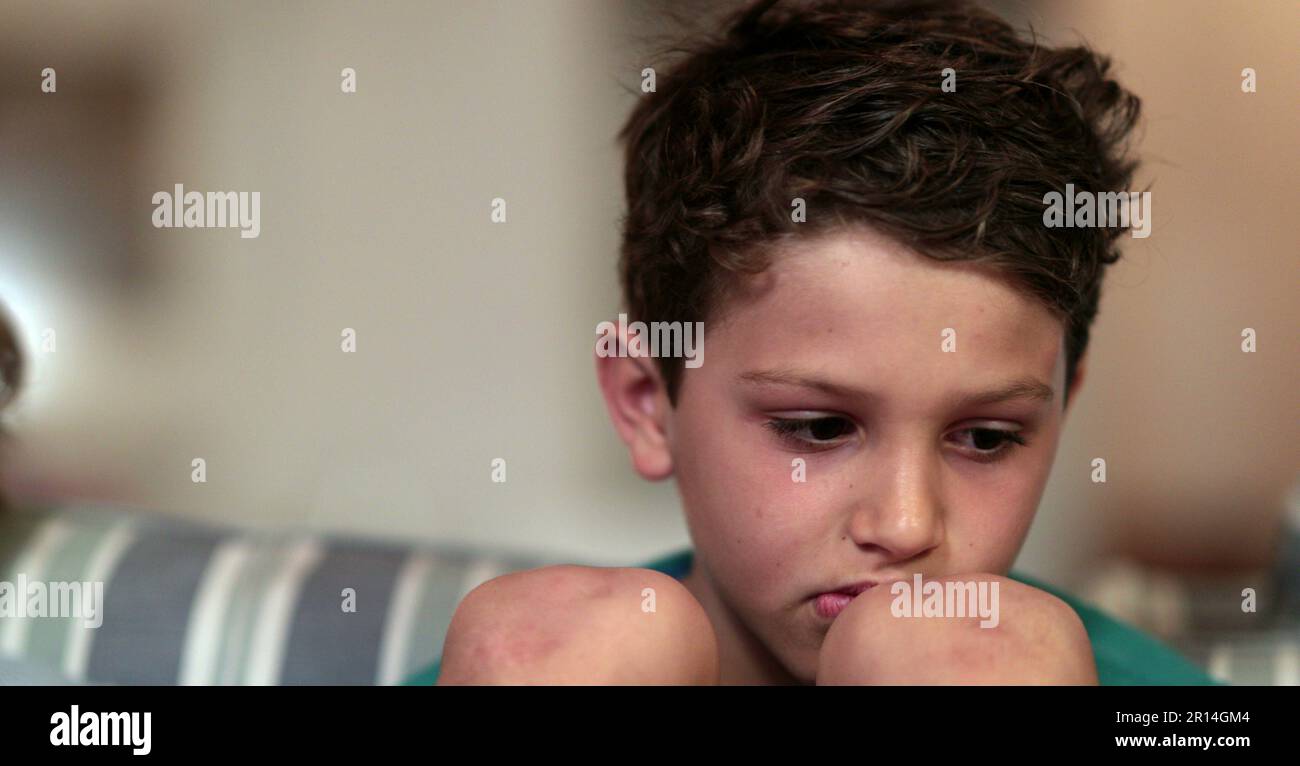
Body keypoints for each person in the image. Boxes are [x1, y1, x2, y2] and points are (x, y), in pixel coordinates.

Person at [409, 0, 1218, 685]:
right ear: (648, 401)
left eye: (985, 437)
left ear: (1061, 411)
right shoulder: (519, 665)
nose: (904, 525)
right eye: (818, 427)